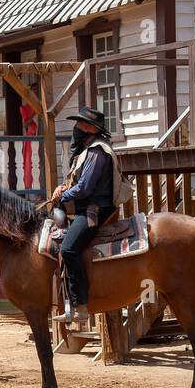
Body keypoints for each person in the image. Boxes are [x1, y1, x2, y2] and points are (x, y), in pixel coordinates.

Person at [49, 106, 119, 328]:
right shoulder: (87, 151)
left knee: (68, 249)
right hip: (86, 207)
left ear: (89, 128)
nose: (76, 128)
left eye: (80, 124)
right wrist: (64, 189)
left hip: (95, 210)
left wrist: (63, 196)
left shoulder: (98, 152)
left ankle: (81, 307)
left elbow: (85, 188)